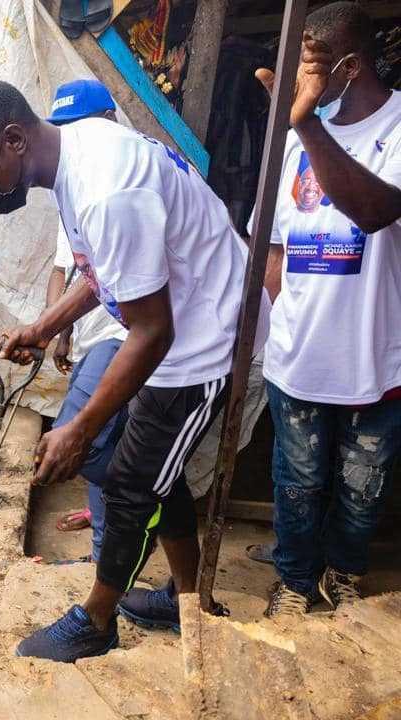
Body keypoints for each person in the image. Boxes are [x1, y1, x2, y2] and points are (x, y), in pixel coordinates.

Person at [0, 78, 249, 661]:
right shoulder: (77, 156)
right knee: (158, 474)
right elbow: (105, 269)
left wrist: (79, 429)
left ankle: (96, 621)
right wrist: (44, 326)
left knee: (132, 484)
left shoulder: (106, 188)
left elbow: (153, 331)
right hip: (173, 328)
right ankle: (190, 602)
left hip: (201, 343)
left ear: (13, 140)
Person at [255, 3, 401, 617]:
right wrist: (289, 323)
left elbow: (375, 211)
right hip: (300, 355)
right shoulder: (294, 141)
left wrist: (307, 125)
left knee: (362, 488)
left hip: (377, 356)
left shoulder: (396, 126)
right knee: (296, 484)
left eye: (311, 67)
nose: (299, 83)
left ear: (349, 66)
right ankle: (294, 580)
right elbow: (273, 246)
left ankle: (343, 574)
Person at [43, 80, 129, 564]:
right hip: (89, 335)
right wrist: (57, 331)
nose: (73, 135)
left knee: (86, 440)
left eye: (82, 124)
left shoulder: (114, 186)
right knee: (100, 441)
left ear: (110, 121)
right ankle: (103, 536)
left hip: (120, 335)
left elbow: (113, 279)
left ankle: (119, 536)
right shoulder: (71, 189)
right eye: (66, 127)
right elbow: (65, 269)